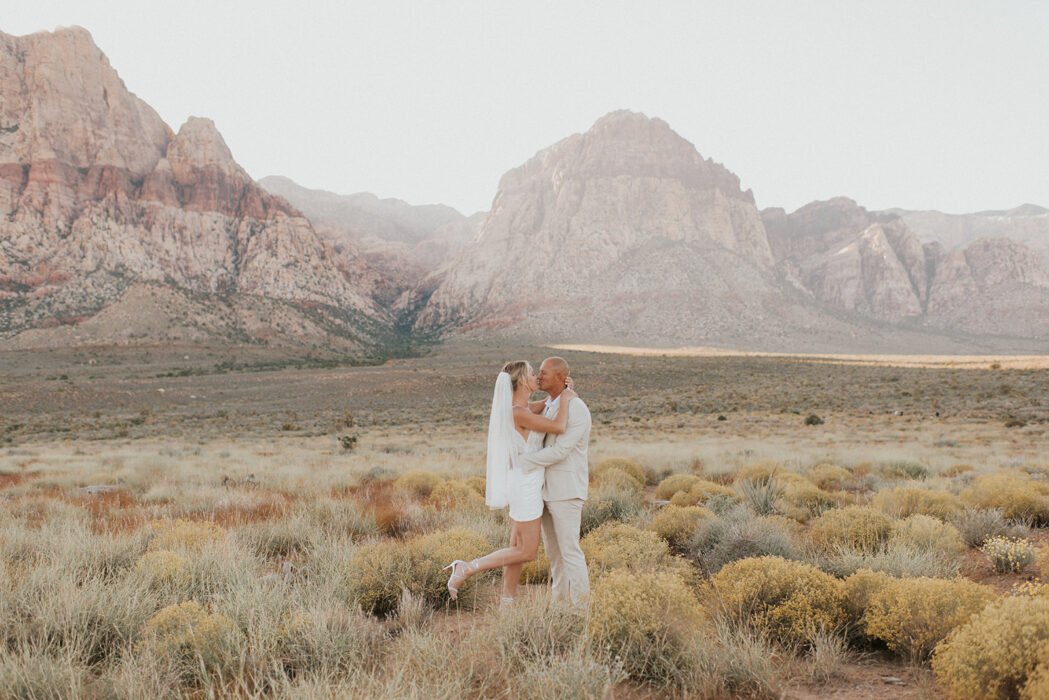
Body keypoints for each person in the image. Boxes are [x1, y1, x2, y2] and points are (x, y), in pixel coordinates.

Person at [444, 360, 577, 604]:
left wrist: (561, 391)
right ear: (522, 382)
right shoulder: (519, 413)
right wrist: (568, 399)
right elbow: (558, 425)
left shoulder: (521, 409)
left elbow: (547, 405)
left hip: (522, 481)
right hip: (525, 485)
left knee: (516, 544)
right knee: (526, 551)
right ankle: (467, 567)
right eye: (531, 373)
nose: (536, 376)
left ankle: (508, 601)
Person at [519, 357, 592, 607]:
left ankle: (581, 609)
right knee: (553, 554)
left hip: (566, 491)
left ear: (561, 377)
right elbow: (524, 409)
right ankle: (559, 605)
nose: (539, 377)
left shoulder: (577, 408)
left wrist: (524, 463)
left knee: (570, 552)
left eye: (544, 373)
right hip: (544, 490)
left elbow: (561, 451)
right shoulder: (551, 404)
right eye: (537, 373)